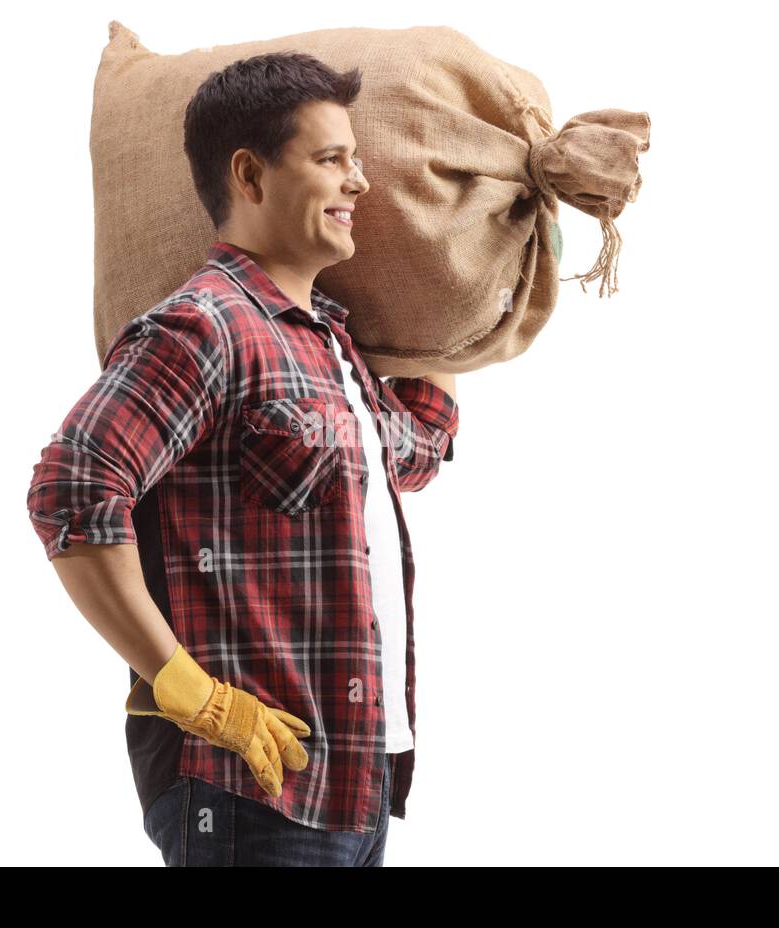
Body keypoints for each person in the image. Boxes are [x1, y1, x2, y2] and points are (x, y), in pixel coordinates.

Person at [26, 51, 459, 866]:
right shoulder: (208, 326)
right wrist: (189, 694)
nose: (360, 183)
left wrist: (477, 267)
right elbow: (73, 488)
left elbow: (415, 450)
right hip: (245, 793)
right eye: (332, 160)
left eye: (357, 160)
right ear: (251, 177)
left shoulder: (331, 343)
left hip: (349, 785)